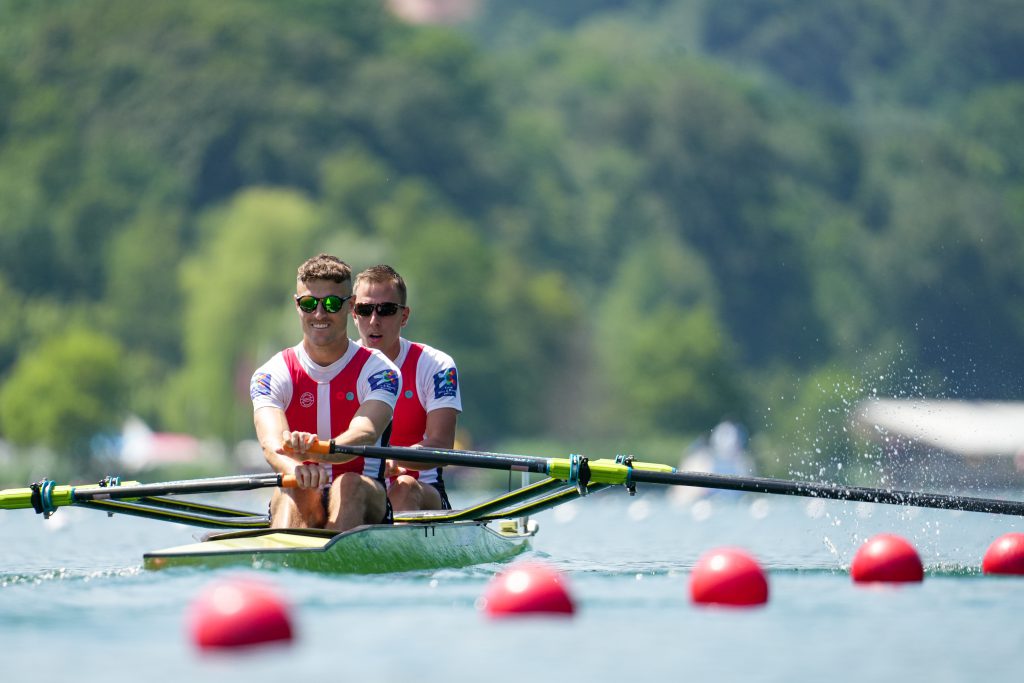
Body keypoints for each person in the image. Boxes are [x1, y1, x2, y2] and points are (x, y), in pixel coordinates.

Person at [249, 253, 402, 531]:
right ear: (297, 306)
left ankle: (331, 560)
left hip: (365, 493)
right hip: (301, 484)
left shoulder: (381, 371)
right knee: (293, 485)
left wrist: (318, 451)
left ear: (351, 307)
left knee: (348, 483)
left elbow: (364, 434)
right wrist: (296, 467)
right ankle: (281, 563)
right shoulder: (271, 373)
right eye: (309, 304)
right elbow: (271, 444)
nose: (319, 314)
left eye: (331, 304)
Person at [352, 264, 462, 511]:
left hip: (420, 490)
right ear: (353, 313)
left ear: (404, 316)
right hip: (358, 488)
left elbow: (441, 443)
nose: (374, 320)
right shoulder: (338, 364)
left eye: (386, 310)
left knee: (403, 486)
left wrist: (392, 457)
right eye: (365, 309)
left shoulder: (437, 366)